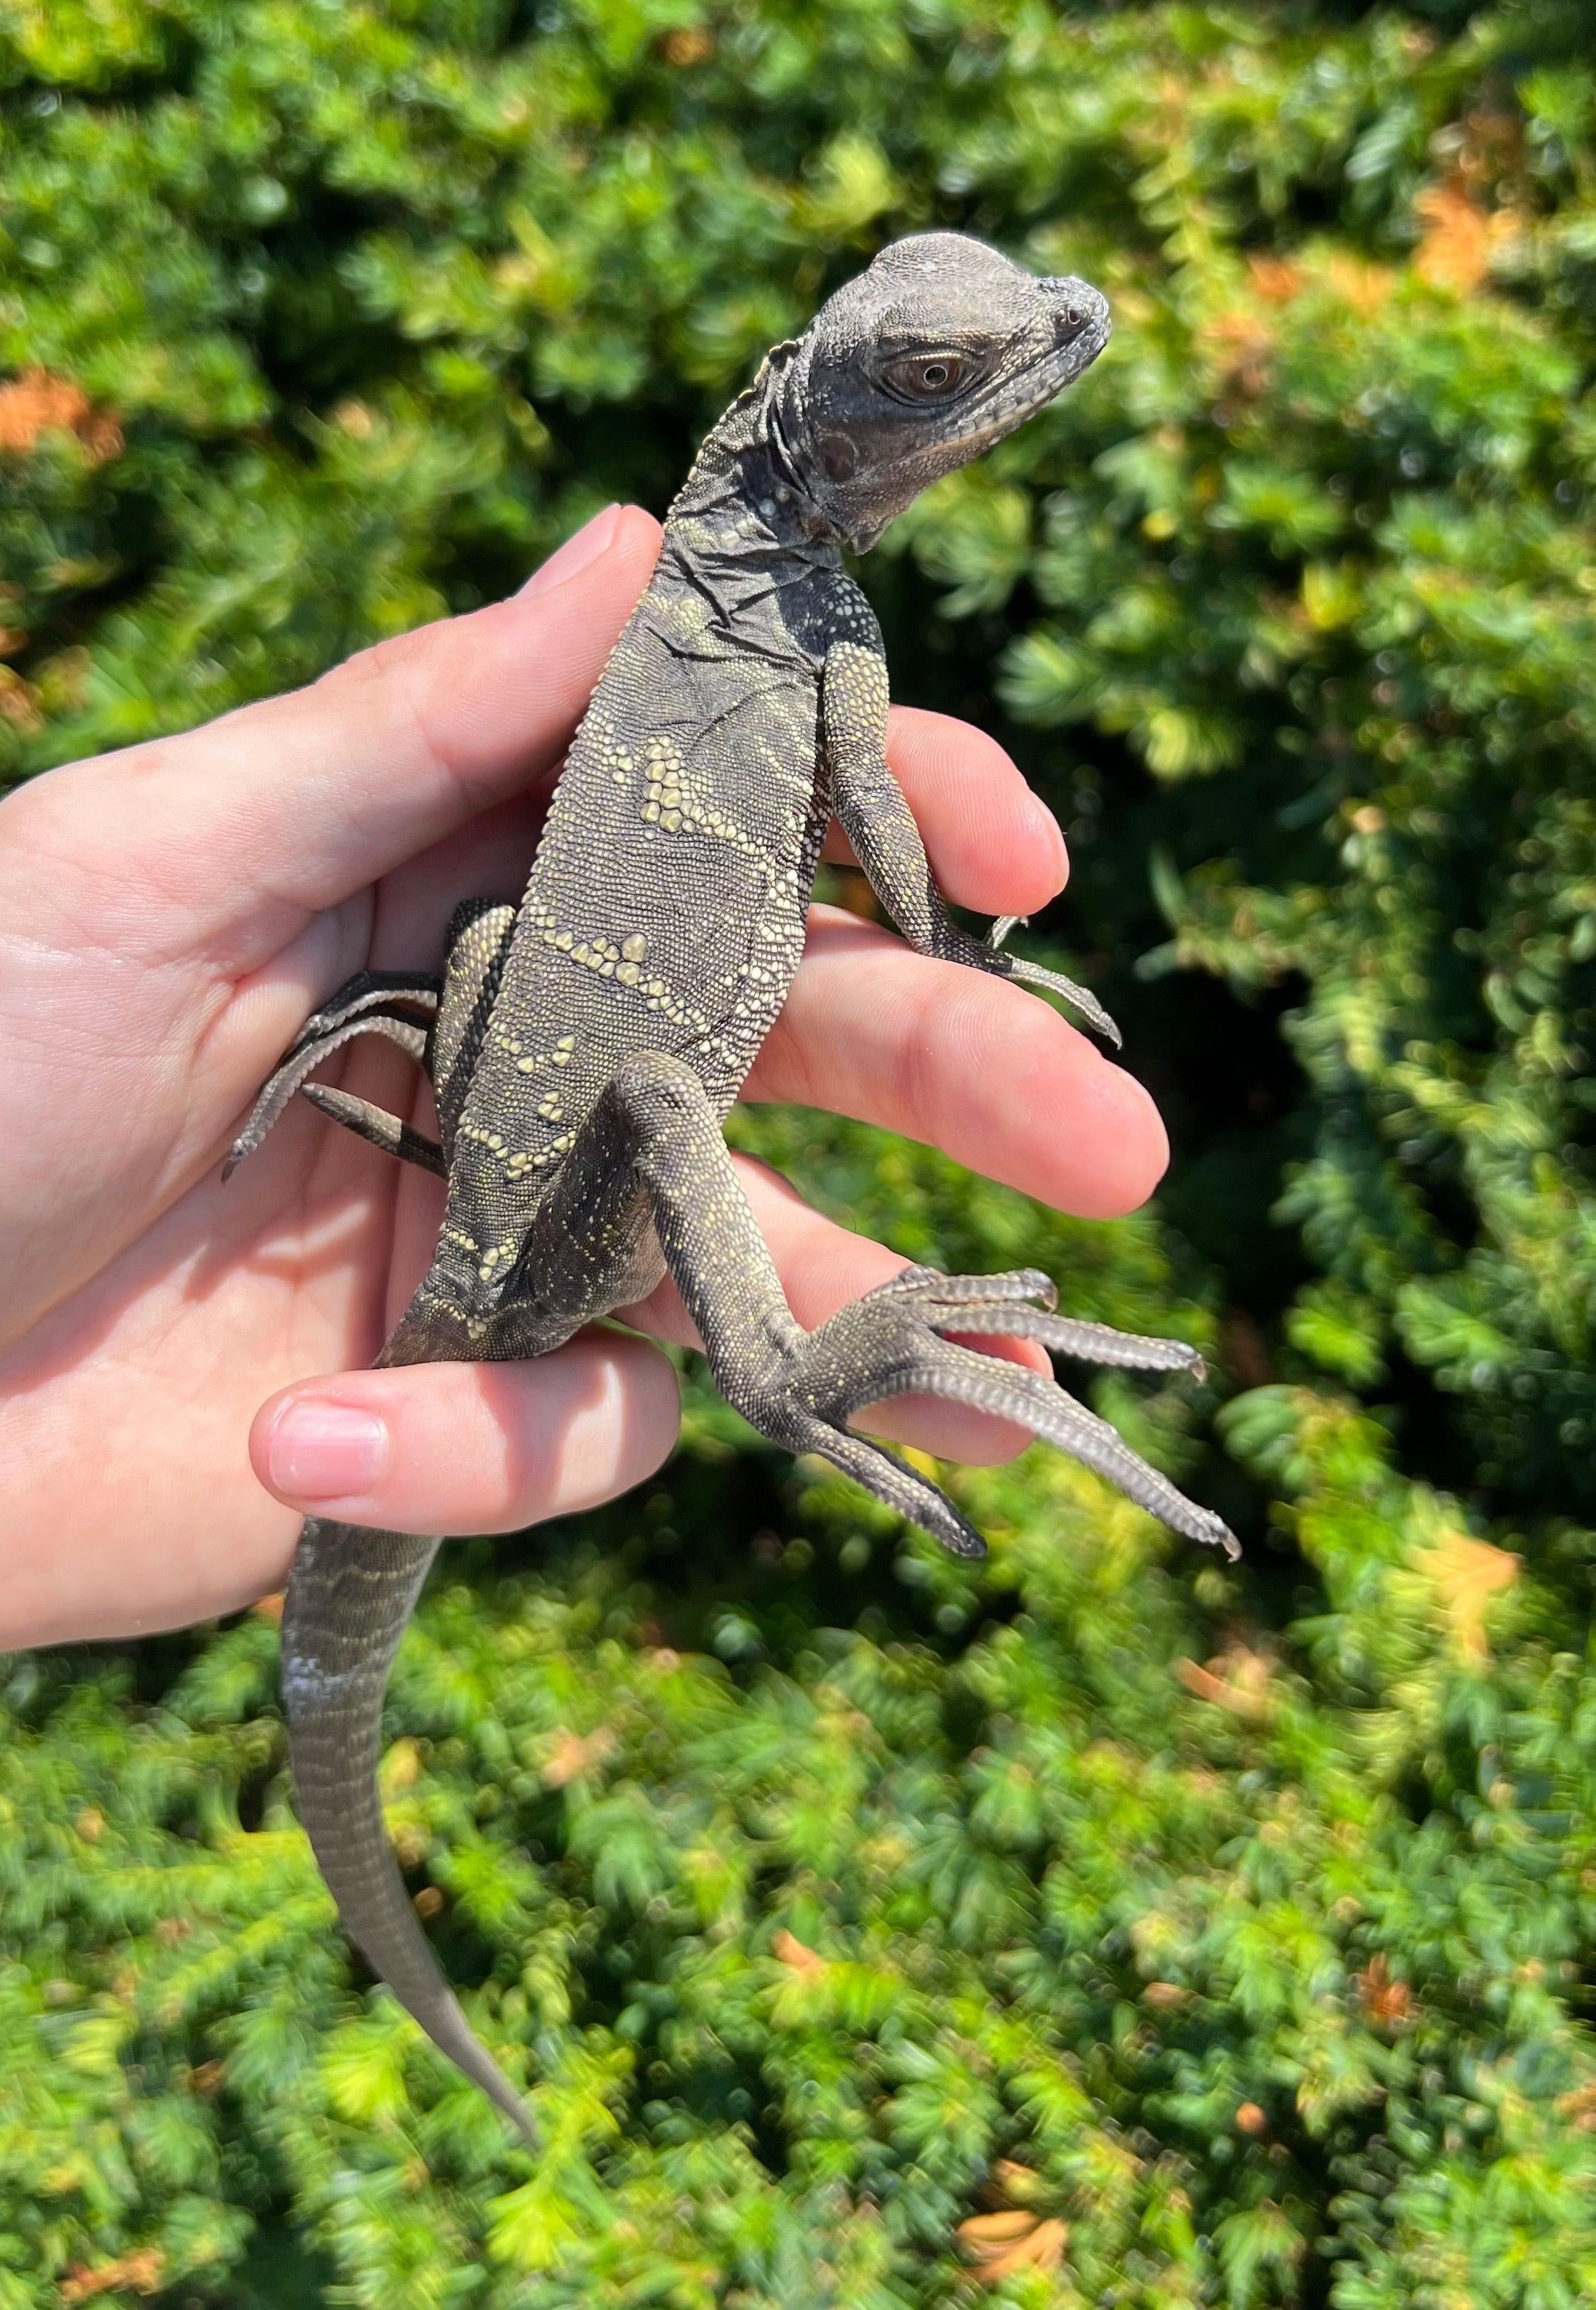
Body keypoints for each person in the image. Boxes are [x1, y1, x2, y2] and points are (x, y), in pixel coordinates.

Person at [0, 504, 1169, 1649]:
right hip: (529, 1212)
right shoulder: (788, 603)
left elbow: (866, 787)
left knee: (492, 939)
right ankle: (786, 1370)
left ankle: (758, 1337)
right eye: (929, 379)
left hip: (514, 1180)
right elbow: (860, 786)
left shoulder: (773, 592)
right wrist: (947, 948)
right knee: (640, 1078)